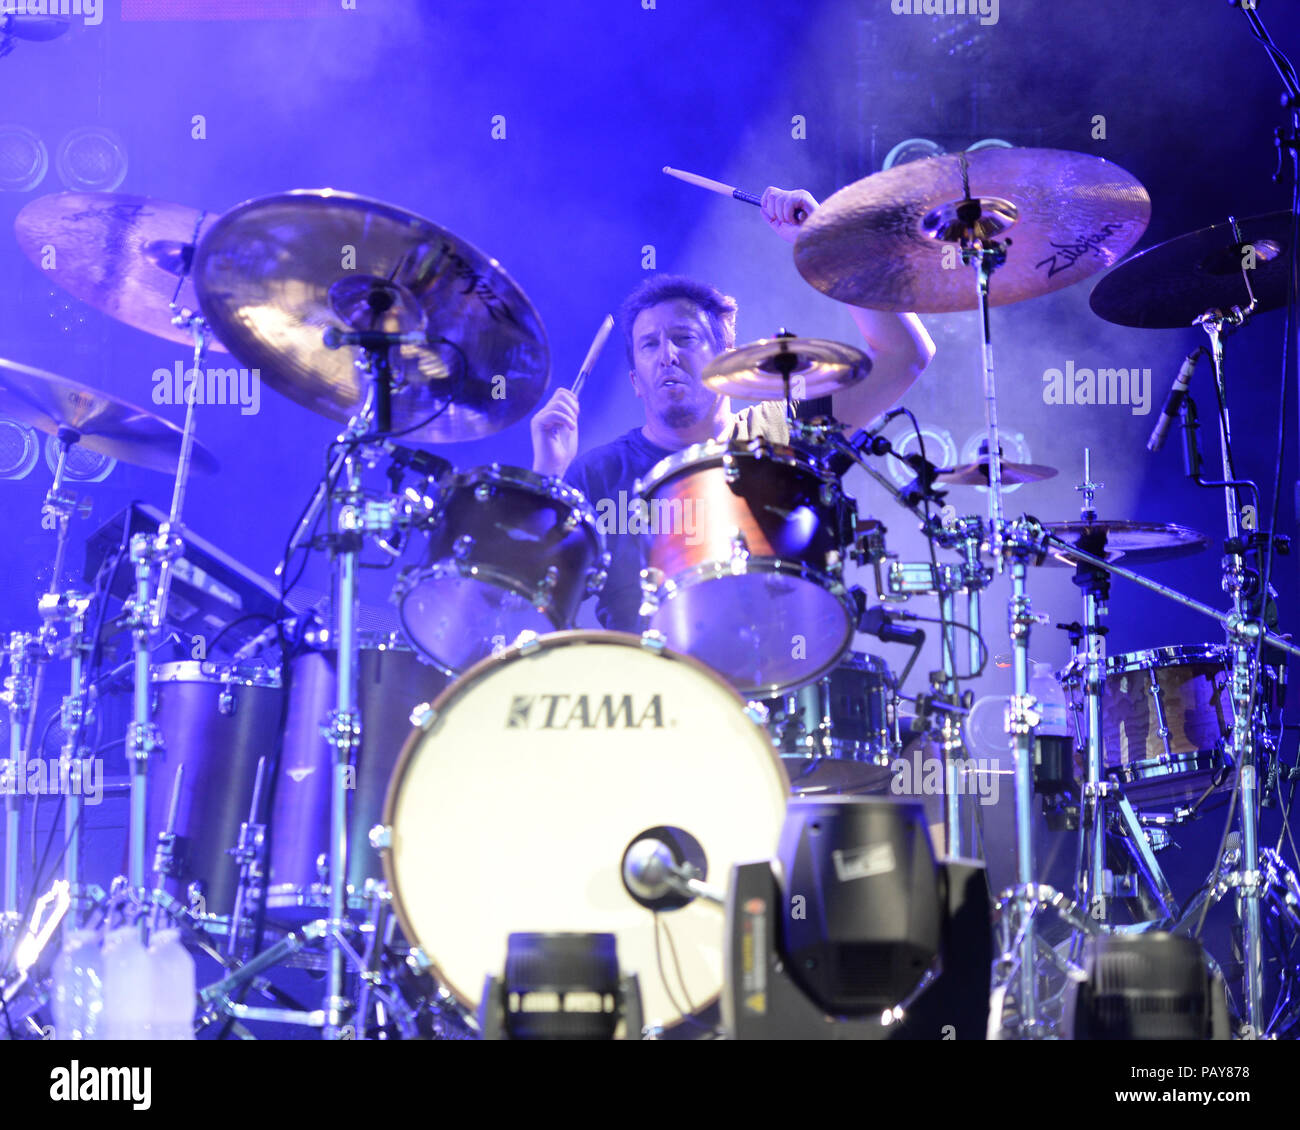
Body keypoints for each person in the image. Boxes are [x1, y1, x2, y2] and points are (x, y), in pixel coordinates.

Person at [529, 186, 936, 632]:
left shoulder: (784, 432)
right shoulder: (597, 474)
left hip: (770, 685)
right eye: (649, 344)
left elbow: (905, 354)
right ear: (635, 383)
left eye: (684, 337)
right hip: (643, 689)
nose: (667, 354)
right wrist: (546, 473)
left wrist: (827, 240)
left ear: (727, 358)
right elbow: (533, 591)